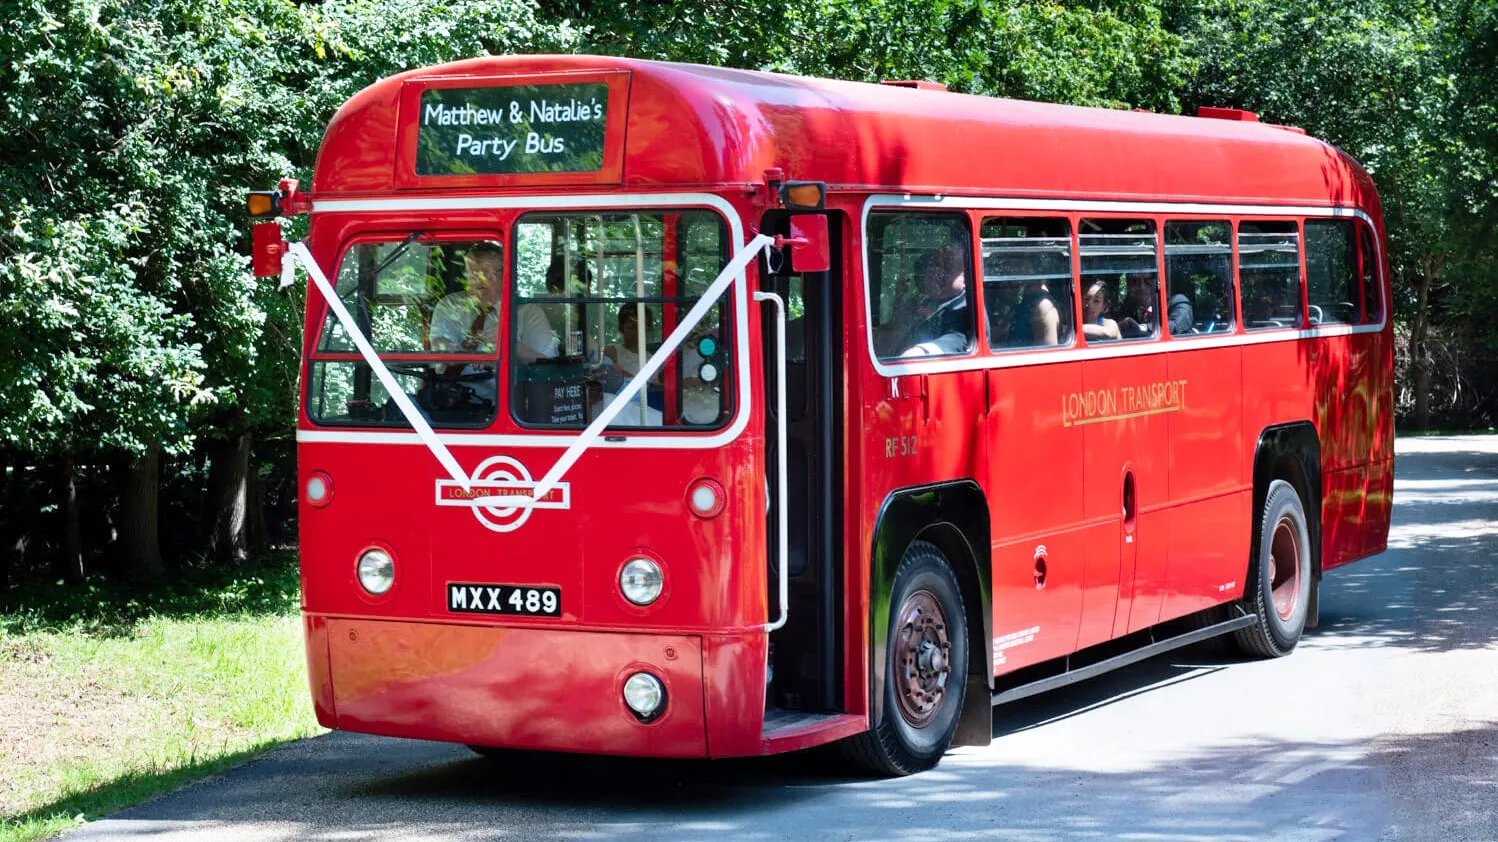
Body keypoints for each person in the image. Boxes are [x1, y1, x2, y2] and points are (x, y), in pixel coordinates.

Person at [878, 244, 972, 358]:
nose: (938, 273)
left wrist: (919, 353)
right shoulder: (927, 301)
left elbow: (957, 339)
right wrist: (899, 298)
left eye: (947, 268)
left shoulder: (965, 307)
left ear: (966, 278)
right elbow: (897, 327)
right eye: (936, 266)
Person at [429, 243, 505, 353]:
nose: (477, 279)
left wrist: (509, 342)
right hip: (454, 368)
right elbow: (438, 341)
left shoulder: (524, 312)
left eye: (485, 272)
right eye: (471, 272)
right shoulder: (450, 304)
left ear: (504, 274)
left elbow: (536, 360)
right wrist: (448, 349)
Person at [1115, 273, 1158, 338]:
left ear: (1156, 285)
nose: (1142, 287)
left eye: (1147, 282)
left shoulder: (1174, 303)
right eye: (1135, 282)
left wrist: (1142, 327)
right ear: (1128, 286)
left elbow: (1173, 326)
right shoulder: (1126, 308)